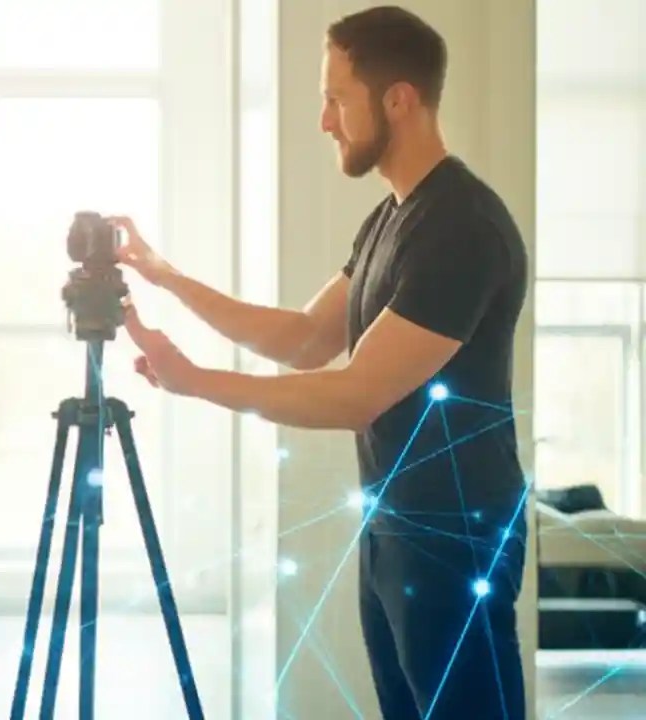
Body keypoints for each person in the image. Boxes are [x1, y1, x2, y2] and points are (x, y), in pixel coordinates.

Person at [113, 5, 529, 719]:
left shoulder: (460, 228)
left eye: (336, 98)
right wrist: (167, 278)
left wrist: (197, 383)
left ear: (398, 100)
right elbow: (306, 337)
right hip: (397, 525)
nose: (324, 122)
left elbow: (354, 395)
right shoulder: (392, 219)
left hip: (454, 534)